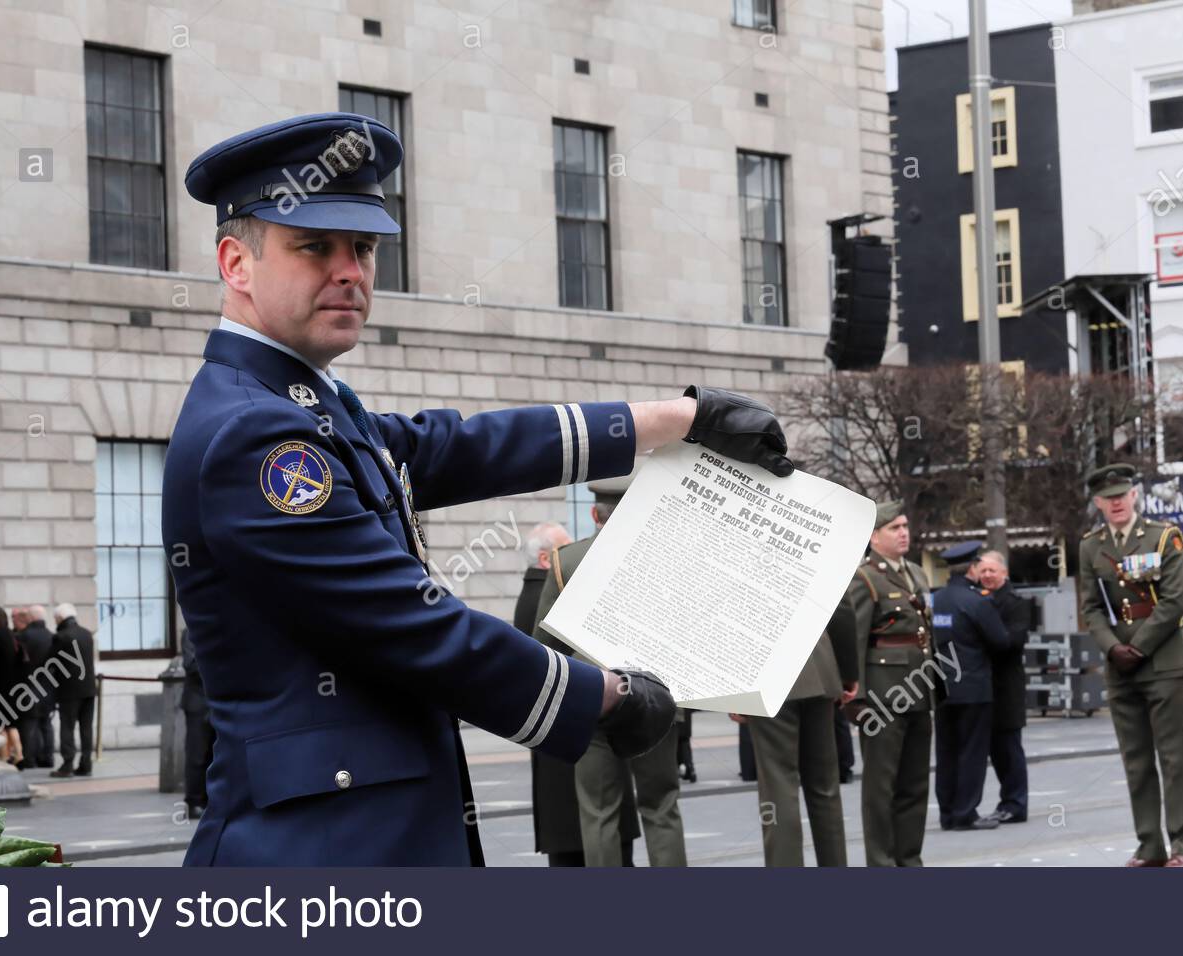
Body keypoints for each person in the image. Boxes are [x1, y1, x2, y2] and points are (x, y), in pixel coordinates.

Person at [163, 111, 794, 866]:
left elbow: (459, 448)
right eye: (313, 247)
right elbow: (409, 624)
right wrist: (603, 698)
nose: (350, 272)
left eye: (363, 248)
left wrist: (682, 418)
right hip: (314, 852)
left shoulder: (304, 403)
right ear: (237, 264)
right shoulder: (255, 435)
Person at [532, 470, 688, 867]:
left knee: (598, 812)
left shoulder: (566, 561)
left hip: (593, 696)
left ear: (595, 514)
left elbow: (545, 644)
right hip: (656, 693)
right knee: (661, 807)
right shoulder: (671, 558)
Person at [1079, 463, 1183, 867]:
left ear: (1134, 496)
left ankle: (1182, 847)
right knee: (1137, 760)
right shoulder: (1091, 546)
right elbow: (1091, 608)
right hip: (1120, 666)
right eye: (1107, 498)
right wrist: (1113, 648)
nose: (1115, 503)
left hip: (1162, 662)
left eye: (1121, 495)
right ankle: (1149, 846)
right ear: (1098, 503)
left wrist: (1138, 648)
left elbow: (1174, 601)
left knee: (1174, 759)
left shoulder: (1164, 537)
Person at [842, 500, 933, 867]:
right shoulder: (864, 577)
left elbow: (924, 634)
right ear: (874, 536)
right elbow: (857, 638)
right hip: (882, 697)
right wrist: (857, 696)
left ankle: (909, 858)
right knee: (881, 788)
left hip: (919, 690)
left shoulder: (915, 573)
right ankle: (880, 862)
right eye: (895, 528)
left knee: (915, 784)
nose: (903, 533)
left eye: (905, 526)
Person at [741, 598, 857, 866]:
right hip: (819, 664)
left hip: (765, 669)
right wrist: (847, 671)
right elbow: (840, 609)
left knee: (779, 786)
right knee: (825, 785)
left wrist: (733, 694)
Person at [931, 542, 1012, 831]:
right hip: (974, 687)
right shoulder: (978, 601)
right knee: (971, 753)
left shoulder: (936, 600)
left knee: (946, 752)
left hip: (941, 687)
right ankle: (966, 813)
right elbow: (1001, 641)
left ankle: (948, 813)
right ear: (972, 568)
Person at [976, 549, 1031, 824]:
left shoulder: (1015, 603)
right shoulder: (977, 600)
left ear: (1004, 573)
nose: (986, 576)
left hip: (1006, 686)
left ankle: (1016, 804)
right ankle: (1006, 801)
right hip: (983, 685)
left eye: (992, 571)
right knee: (995, 750)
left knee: (1009, 748)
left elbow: (1013, 641)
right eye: (983, 571)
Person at [50, 603, 96, 777]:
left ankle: (67, 764)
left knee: (67, 727)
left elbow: (50, 663)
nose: (55, 621)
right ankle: (86, 764)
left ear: (61, 618)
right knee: (86, 727)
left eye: (55, 618)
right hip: (89, 688)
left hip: (69, 690)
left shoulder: (61, 636)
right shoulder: (86, 634)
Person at [15, 604, 56, 770]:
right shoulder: (52, 636)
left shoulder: (23, 637)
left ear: (30, 618)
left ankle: (30, 759)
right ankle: (48, 758)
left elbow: (18, 664)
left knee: (29, 724)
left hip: (28, 686)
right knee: (46, 723)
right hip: (48, 687)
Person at [181, 629, 215, 820]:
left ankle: (212, 798)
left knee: (214, 753)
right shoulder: (190, 631)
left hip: (217, 703)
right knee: (196, 755)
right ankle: (193, 801)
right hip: (198, 702)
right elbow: (191, 664)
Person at [0, 606, 23, 765]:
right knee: (12, 725)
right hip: (14, 687)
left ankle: (4, 756)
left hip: (0, 688)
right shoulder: (11, 635)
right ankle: (19, 755)